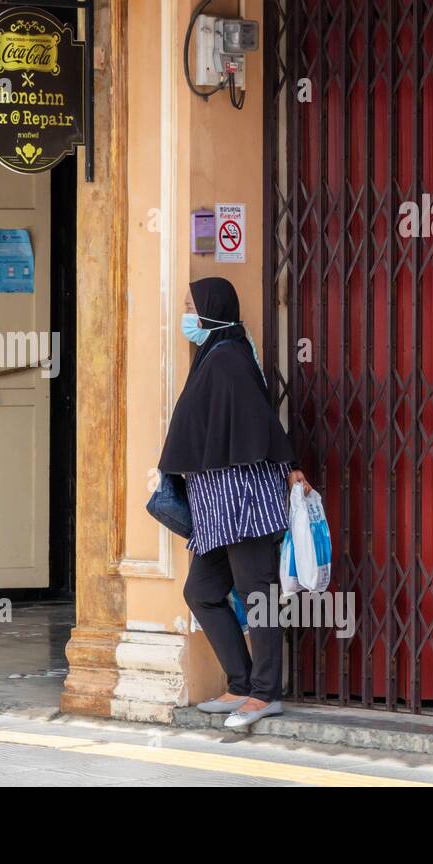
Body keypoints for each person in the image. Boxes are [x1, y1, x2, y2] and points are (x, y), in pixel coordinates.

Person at [159, 277, 311, 729]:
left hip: (245, 505)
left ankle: (265, 694)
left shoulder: (228, 359)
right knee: (201, 592)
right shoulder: (215, 356)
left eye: (190, 305)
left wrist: (289, 464)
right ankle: (241, 683)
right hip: (217, 512)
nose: (185, 314)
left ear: (209, 310)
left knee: (258, 595)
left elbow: (259, 422)